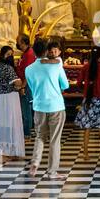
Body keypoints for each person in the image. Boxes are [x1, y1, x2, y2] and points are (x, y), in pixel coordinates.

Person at [27, 37, 70, 179]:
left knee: (40, 136)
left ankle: (35, 164)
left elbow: (32, 88)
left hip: (39, 105)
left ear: (34, 51)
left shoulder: (29, 69)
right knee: (54, 140)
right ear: (47, 51)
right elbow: (65, 85)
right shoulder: (56, 65)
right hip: (56, 106)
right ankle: (52, 171)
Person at [75, 49, 100, 159]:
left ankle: (85, 153)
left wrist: (85, 90)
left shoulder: (85, 67)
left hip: (88, 100)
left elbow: (78, 83)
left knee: (87, 127)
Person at [0, 46, 25, 162]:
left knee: (6, 124)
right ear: (2, 55)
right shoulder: (7, 68)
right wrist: (21, 83)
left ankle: (9, 151)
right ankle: (5, 152)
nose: (10, 57)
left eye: (11, 54)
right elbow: (18, 82)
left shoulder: (0, 67)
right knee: (9, 123)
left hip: (4, 98)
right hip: (8, 98)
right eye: (8, 54)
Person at [16, 34, 36, 138]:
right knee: (25, 108)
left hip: (27, 85)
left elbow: (28, 72)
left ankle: (27, 132)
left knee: (26, 109)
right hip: (23, 84)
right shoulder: (25, 53)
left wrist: (23, 86)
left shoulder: (29, 54)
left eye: (18, 41)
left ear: (23, 43)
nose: (17, 43)